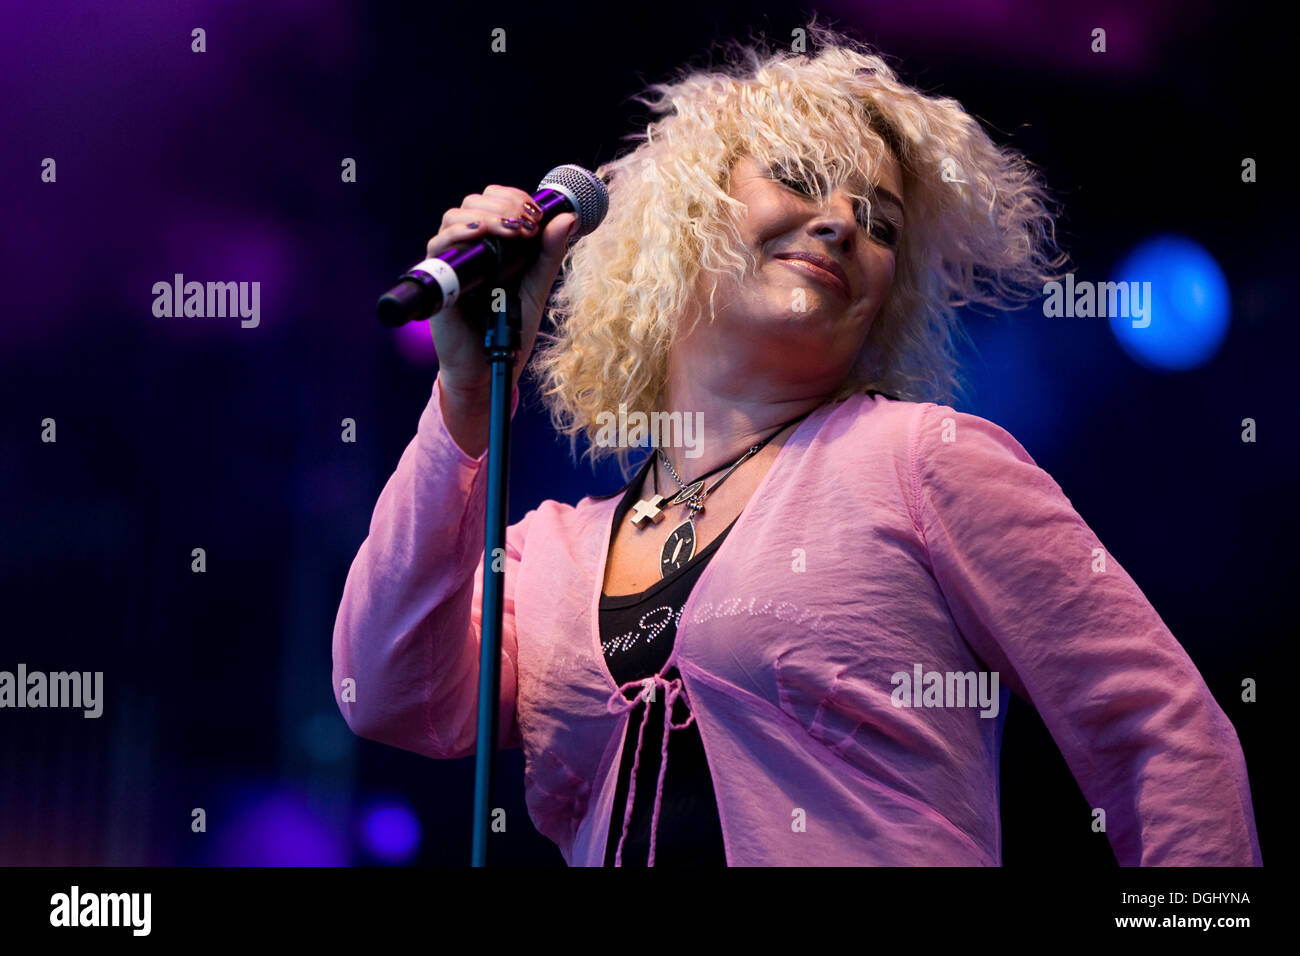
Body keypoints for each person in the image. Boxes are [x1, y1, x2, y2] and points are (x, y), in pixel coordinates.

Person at [332, 28, 1262, 866]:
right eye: (802, 178)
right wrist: (461, 395)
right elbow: (383, 692)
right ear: (686, 216)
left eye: (881, 223)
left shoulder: (922, 459)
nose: (845, 222)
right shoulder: (551, 554)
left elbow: (1157, 730)